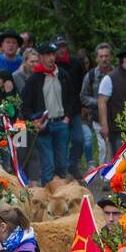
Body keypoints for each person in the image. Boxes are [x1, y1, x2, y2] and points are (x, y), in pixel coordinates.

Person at [21, 42, 72, 186]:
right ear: (41, 57)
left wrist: (67, 117)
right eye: (47, 55)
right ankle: (48, 198)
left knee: (62, 164)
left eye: (53, 54)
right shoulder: (33, 80)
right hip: (44, 126)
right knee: (48, 165)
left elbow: (71, 98)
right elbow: (25, 108)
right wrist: (35, 120)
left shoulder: (63, 75)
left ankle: (61, 194)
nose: (51, 58)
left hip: (61, 122)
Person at [52, 34, 87, 177]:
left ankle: (73, 164)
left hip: (75, 108)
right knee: (62, 141)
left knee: (79, 140)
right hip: (58, 110)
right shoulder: (53, 66)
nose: (61, 49)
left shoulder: (76, 63)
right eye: (58, 47)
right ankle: (60, 171)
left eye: (64, 46)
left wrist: (82, 104)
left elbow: (81, 86)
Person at [80, 43, 115, 160]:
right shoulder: (90, 76)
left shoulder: (118, 74)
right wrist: (100, 102)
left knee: (117, 148)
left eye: (106, 56)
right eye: (101, 56)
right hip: (98, 118)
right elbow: (83, 96)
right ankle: (104, 176)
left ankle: (118, 176)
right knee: (104, 148)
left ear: (111, 57)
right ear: (96, 58)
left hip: (116, 118)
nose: (104, 59)